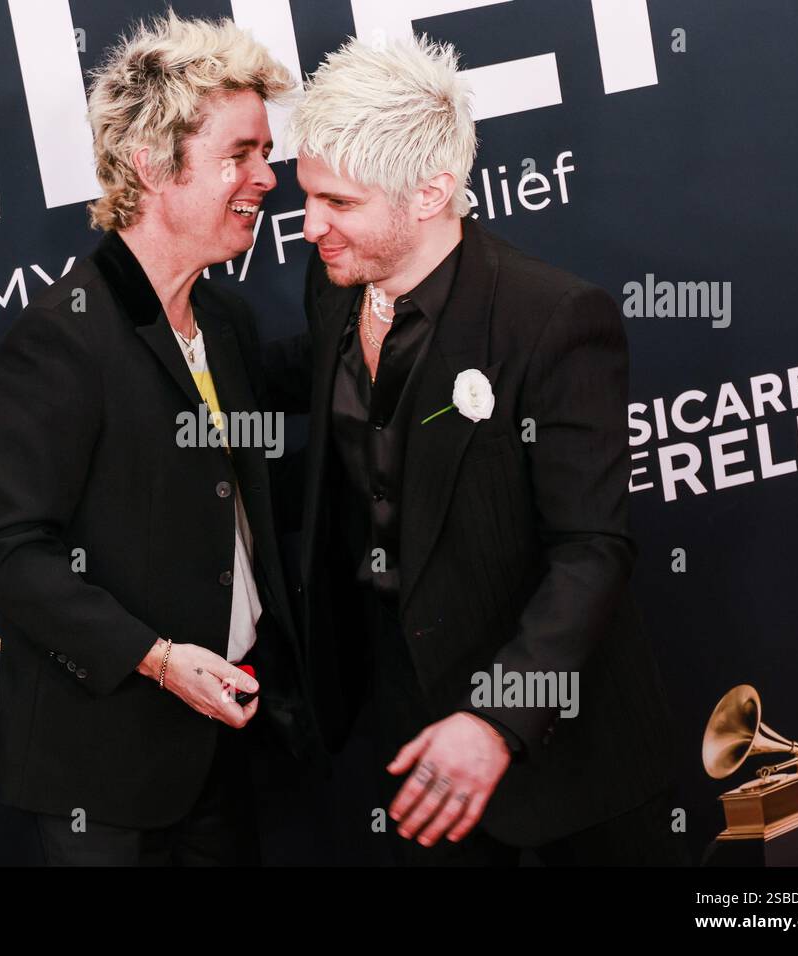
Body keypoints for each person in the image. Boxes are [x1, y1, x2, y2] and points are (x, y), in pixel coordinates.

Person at [268, 35, 687, 865]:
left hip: (566, 761)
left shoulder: (553, 321)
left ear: (430, 193)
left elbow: (590, 552)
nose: (309, 226)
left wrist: (498, 718)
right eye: (307, 196)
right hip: (406, 739)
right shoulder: (337, 280)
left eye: (339, 204)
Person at [0, 12, 311, 866]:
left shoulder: (222, 317)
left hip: (229, 746)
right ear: (153, 164)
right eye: (241, 155)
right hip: (106, 773)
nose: (269, 178)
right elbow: (7, 551)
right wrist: (157, 661)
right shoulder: (64, 340)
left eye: (267, 153)